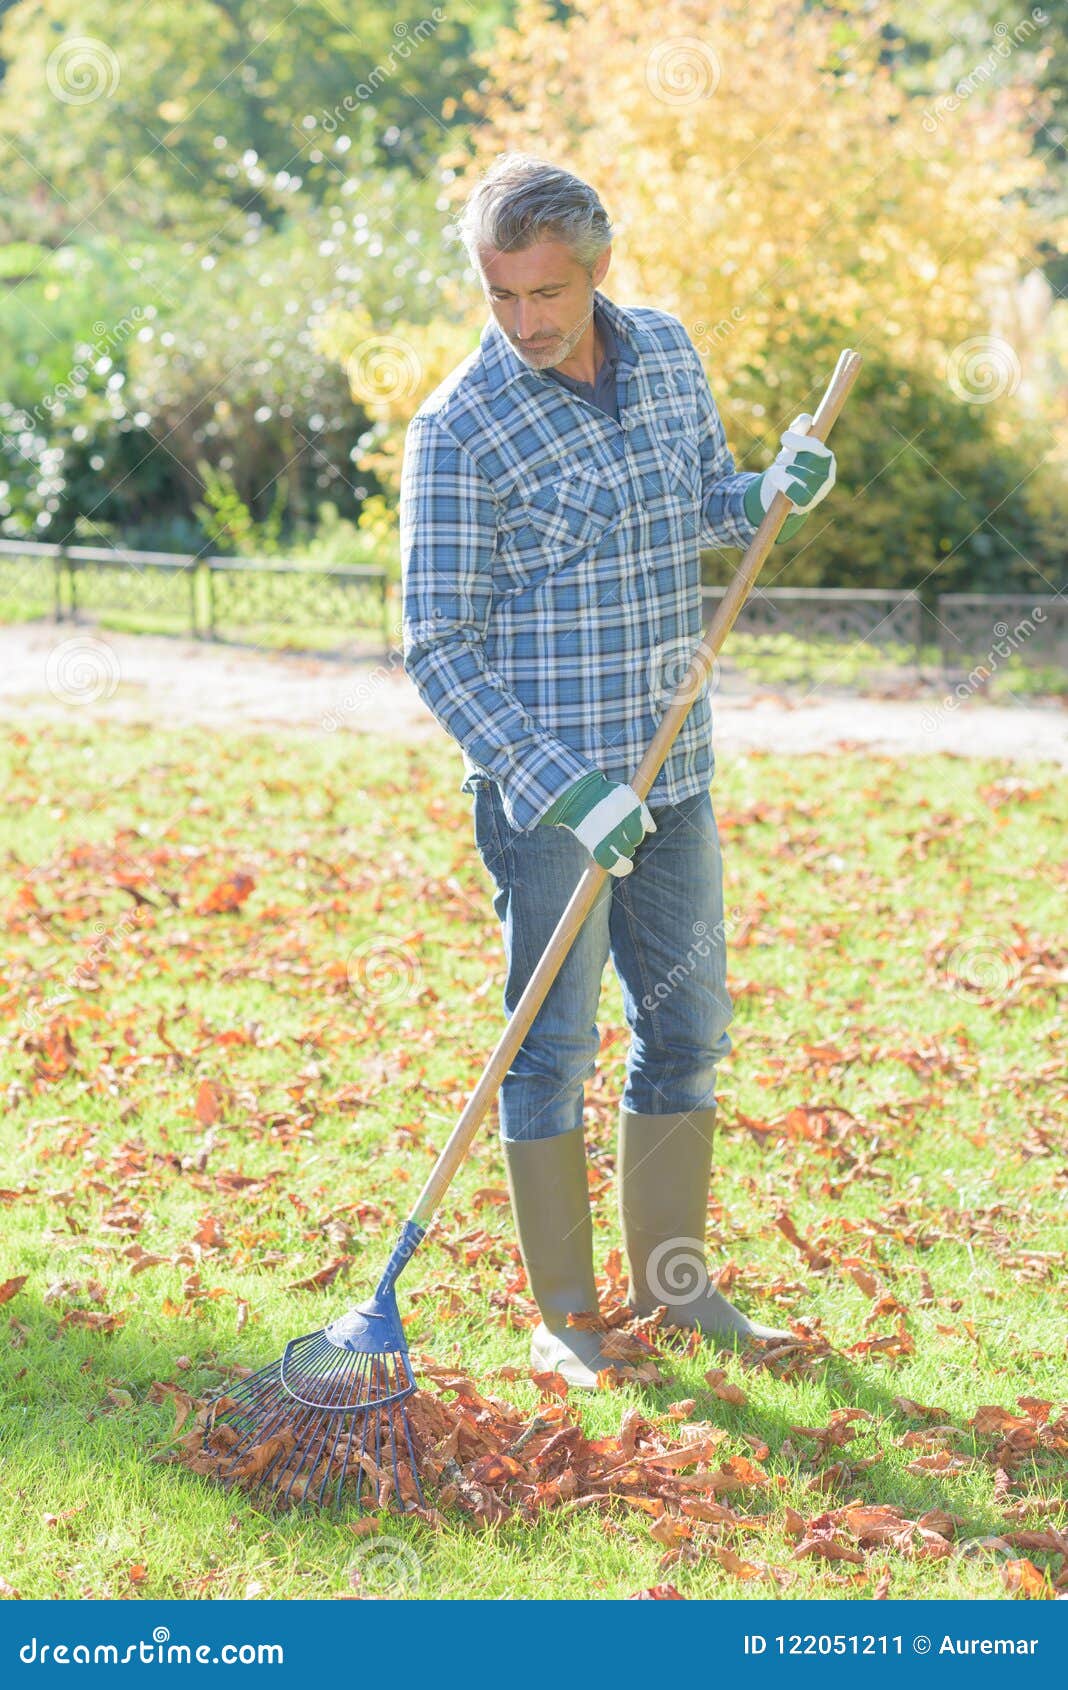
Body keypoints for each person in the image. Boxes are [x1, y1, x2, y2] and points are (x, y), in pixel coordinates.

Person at [399, 153, 836, 1386]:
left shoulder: (667, 355)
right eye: (501, 296)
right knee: (551, 1050)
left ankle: (675, 1290)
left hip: (675, 769)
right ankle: (567, 1317)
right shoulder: (461, 426)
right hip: (555, 804)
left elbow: (707, 503)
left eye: (546, 293)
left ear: (598, 269)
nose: (525, 322)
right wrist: (561, 785)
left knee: (688, 1029)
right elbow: (436, 645)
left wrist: (772, 490)